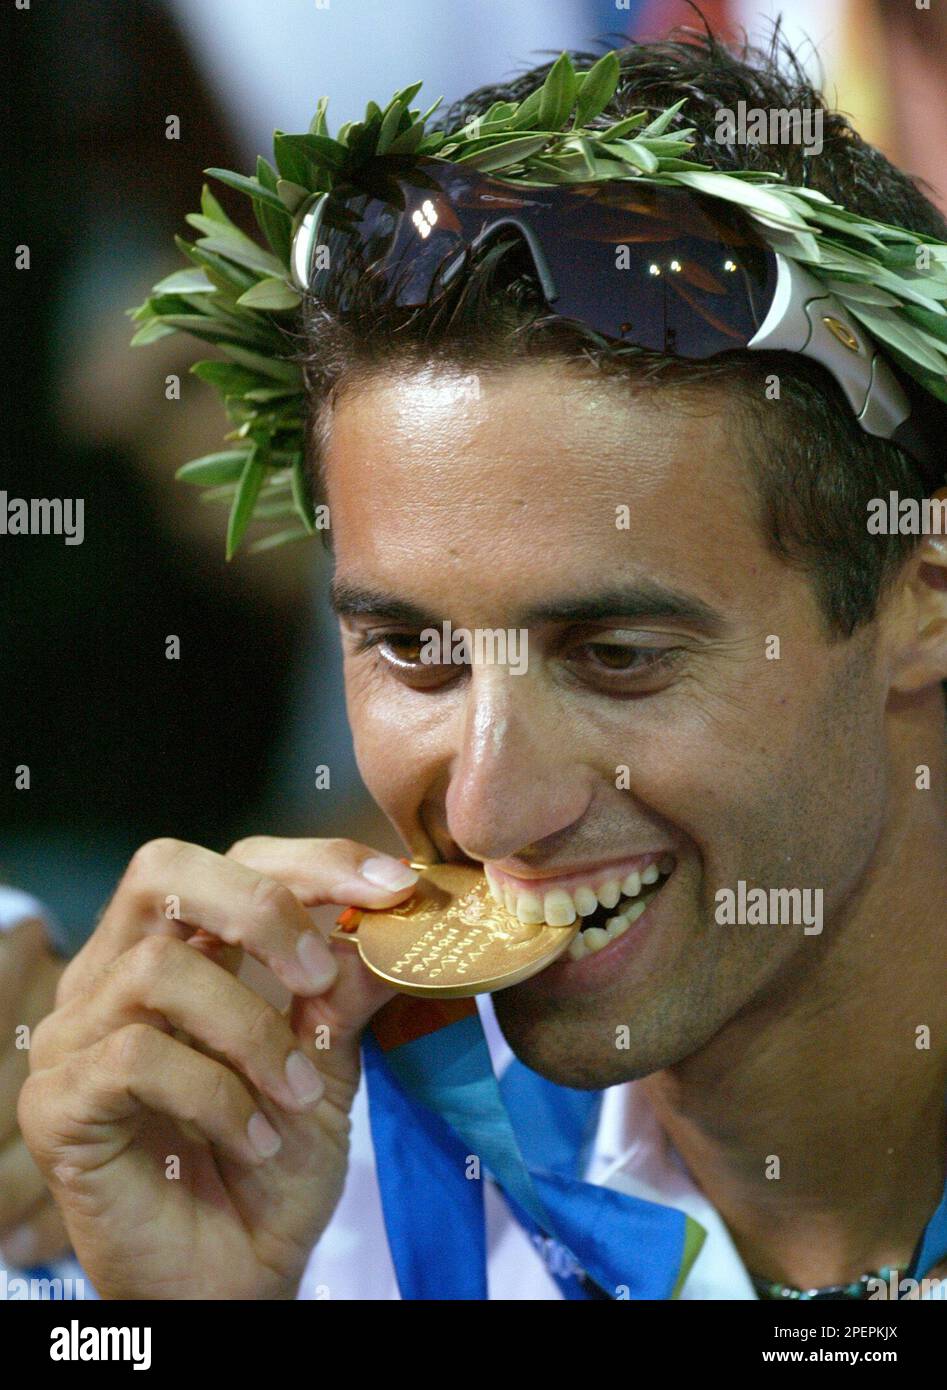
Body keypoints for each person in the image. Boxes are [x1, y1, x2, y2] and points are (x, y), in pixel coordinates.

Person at [14, 26, 947, 1300]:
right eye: (409, 648)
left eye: (615, 654)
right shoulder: (253, 1175)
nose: (485, 810)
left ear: (922, 597)